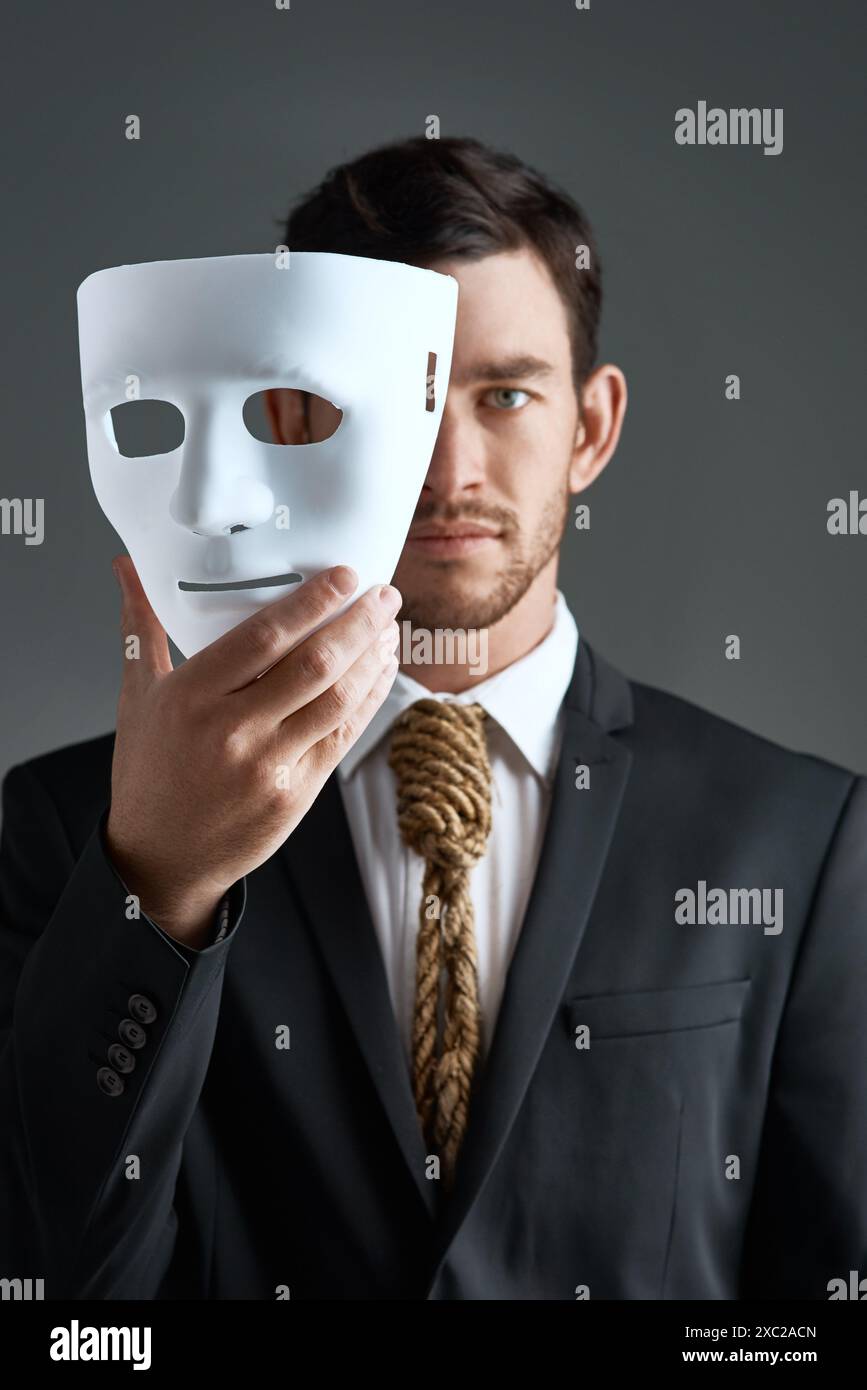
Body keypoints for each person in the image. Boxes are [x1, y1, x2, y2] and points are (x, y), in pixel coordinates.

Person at [1, 136, 864, 1301]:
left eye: (505, 393)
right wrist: (158, 888)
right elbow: (61, 1294)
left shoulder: (801, 841)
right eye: (385, 404)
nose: (447, 467)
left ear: (592, 429)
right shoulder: (74, 833)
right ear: (294, 418)